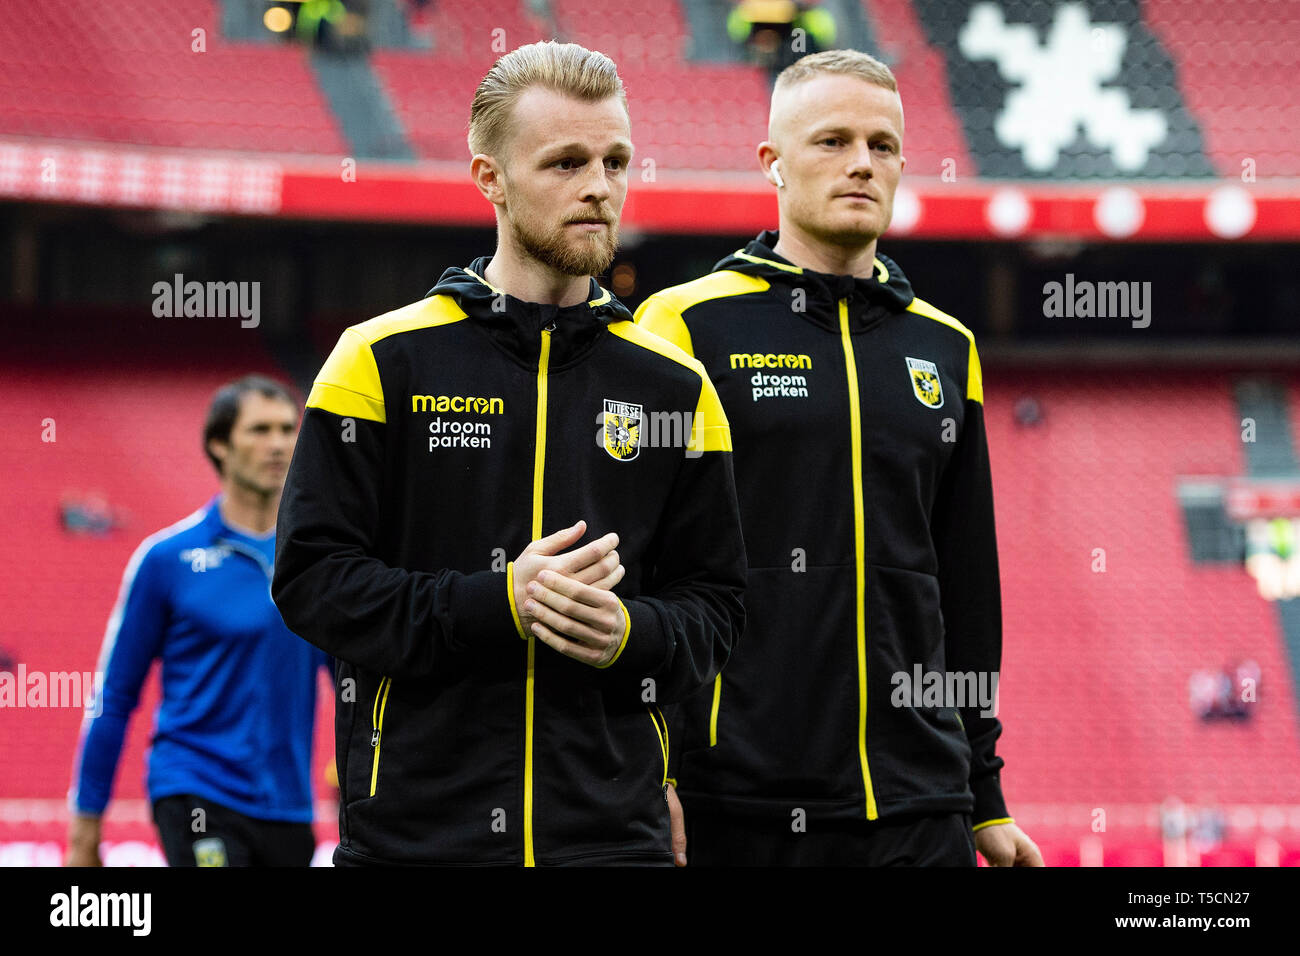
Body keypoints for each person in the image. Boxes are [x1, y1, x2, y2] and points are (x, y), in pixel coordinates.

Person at [272, 40, 746, 867]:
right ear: (489, 178)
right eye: (565, 162)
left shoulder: (679, 387)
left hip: (613, 843)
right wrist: (497, 604)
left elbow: (720, 609)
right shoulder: (378, 361)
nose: (598, 187)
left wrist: (631, 632)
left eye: (615, 161)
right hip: (414, 840)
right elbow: (312, 583)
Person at [636, 49, 1042, 867]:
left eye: (882, 145)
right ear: (773, 164)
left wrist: (985, 793)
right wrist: (654, 771)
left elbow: (965, 586)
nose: (862, 162)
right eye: (832, 141)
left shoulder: (947, 346)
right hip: (735, 803)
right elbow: (645, 568)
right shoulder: (682, 328)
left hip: (921, 803)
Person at [66, 376, 330, 867]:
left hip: (290, 809)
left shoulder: (320, 565)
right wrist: (85, 830)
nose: (278, 444)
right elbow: (116, 697)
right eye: (259, 430)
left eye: (288, 429)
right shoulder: (167, 559)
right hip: (197, 792)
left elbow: (351, 684)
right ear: (219, 445)